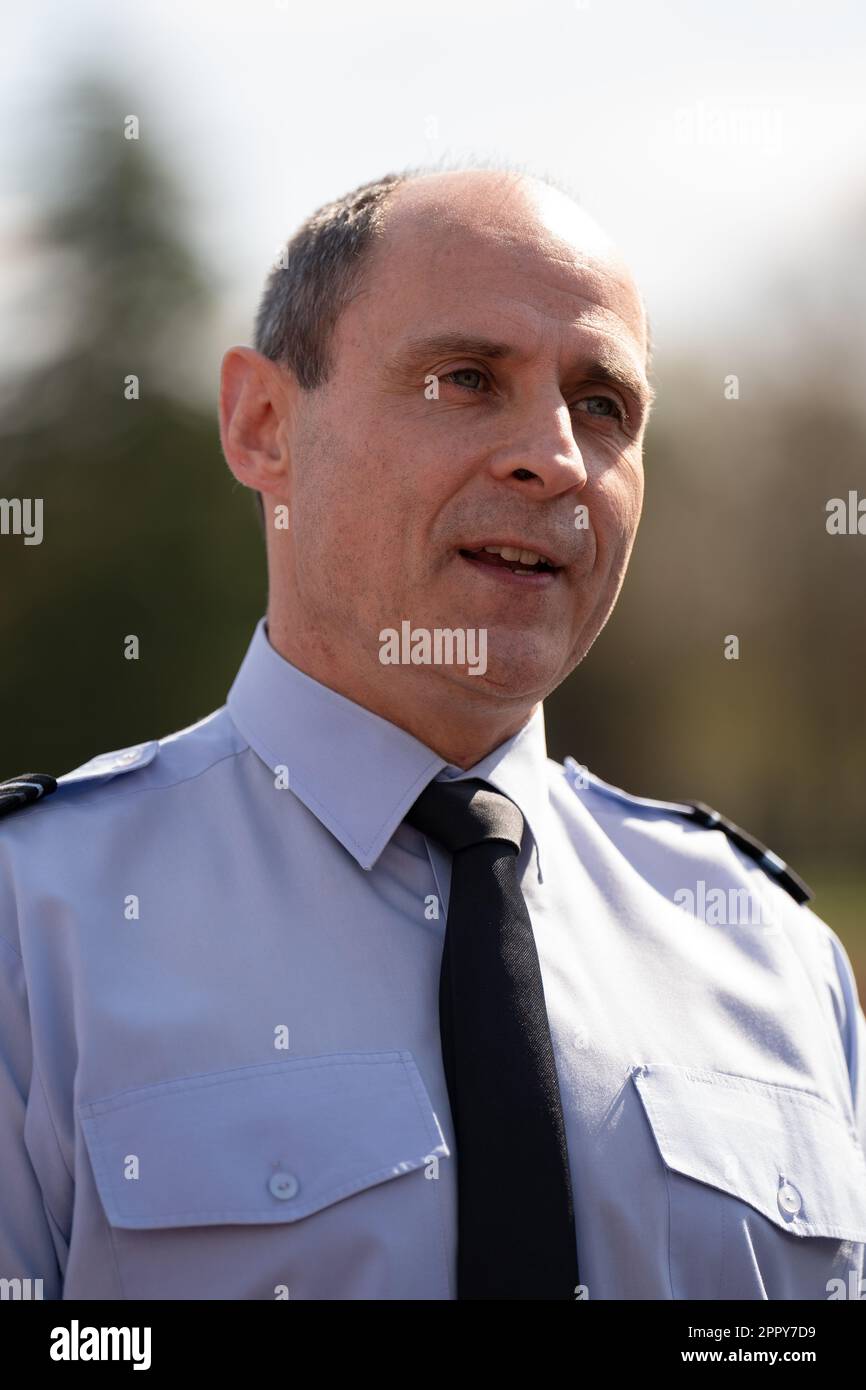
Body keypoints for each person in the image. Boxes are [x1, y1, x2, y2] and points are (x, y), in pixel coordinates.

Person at [1, 166, 864, 1302]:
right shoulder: (34, 927)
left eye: (601, 404)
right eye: (464, 378)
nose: (553, 458)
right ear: (264, 425)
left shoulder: (768, 952)